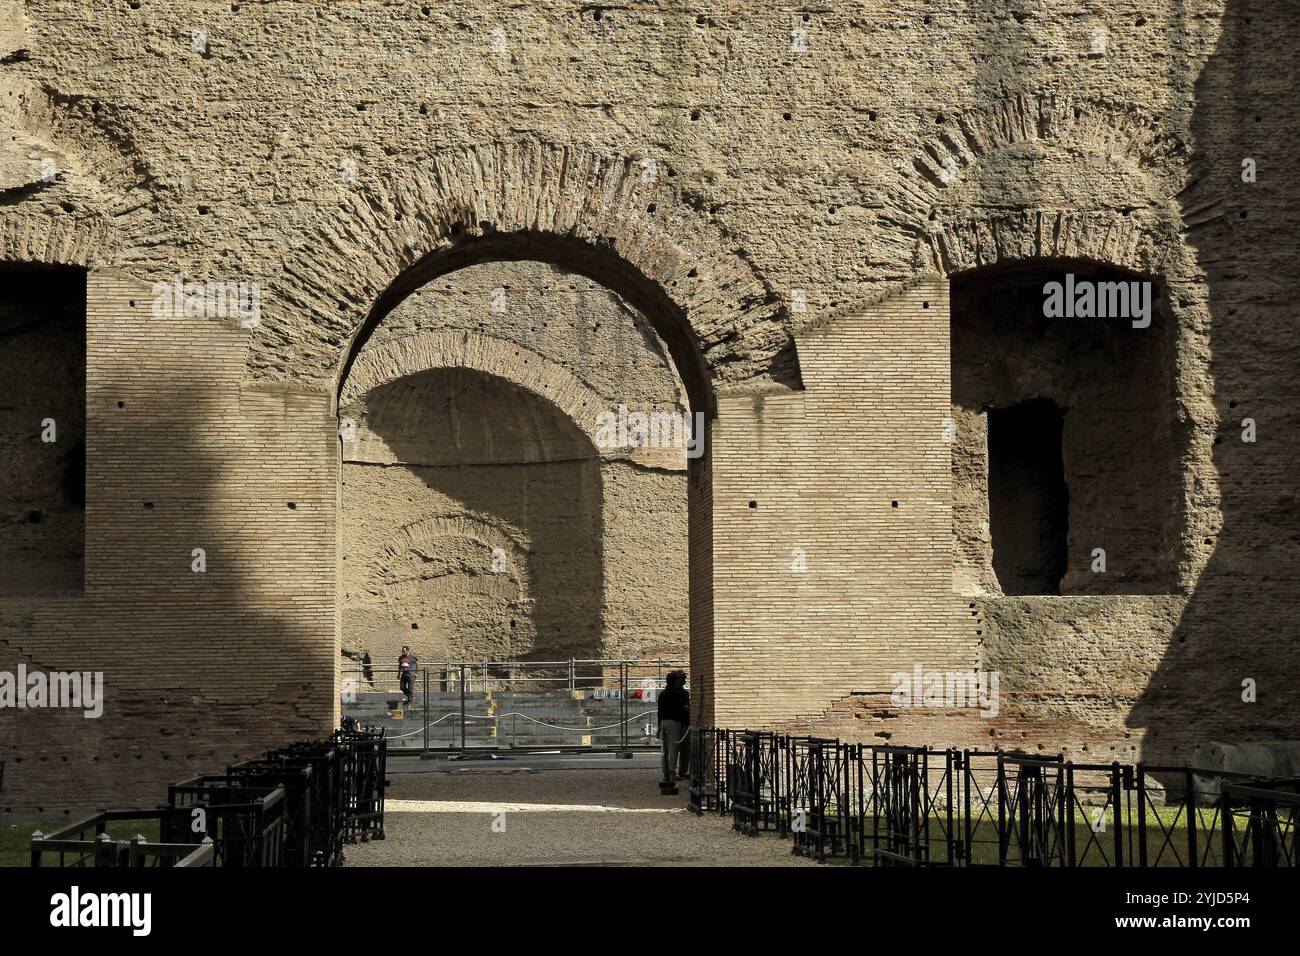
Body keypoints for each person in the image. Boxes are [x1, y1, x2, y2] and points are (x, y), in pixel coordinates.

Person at [657, 670, 691, 791]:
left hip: (665, 722)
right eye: (682, 678)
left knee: (666, 749)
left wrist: (659, 726)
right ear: (676, 681)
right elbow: (684, 710)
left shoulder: (663, 694)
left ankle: (669, 771)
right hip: (676, 723)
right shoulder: (681, 694)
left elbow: (659, 712)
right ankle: (671, 772)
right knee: (674, 749)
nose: (684, 679)